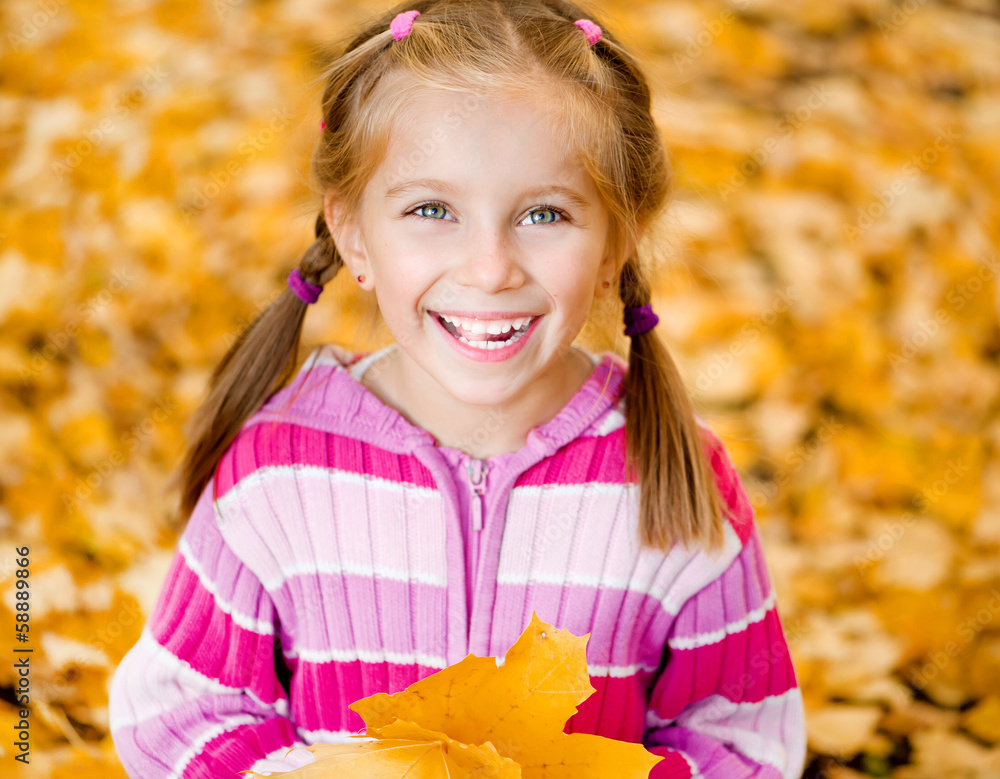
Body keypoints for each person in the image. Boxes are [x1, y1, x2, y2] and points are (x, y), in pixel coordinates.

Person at [109, 1, 806, 777]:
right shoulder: (279, 470)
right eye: (431, 210)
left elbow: (741, 736)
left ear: (617, 241)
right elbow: (182, 708)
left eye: (543, 213)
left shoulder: (673, 480)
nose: (489, 268)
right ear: (353, 235)